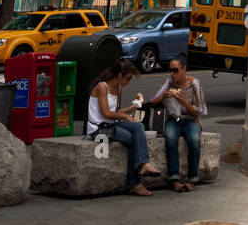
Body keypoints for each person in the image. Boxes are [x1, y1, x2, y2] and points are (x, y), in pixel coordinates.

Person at [88, 59, 161, 197]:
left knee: (138, 126)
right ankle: (134, 183)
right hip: (98, 129)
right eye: (128, 78)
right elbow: (105, 113)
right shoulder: (102, 87)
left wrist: (129, 109)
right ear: (120, 75)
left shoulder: (118, 89)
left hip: (111, 124)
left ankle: (144, 164)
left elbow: (115, 113)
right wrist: (126, 117)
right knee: (132, 138)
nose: (128, 82)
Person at [151, 53, 208, 192]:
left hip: (190, 120)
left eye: (175, 70)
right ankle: (174, 178)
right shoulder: (169, 83)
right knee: (170, 138)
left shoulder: (194, 84)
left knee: (194, 140)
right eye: (170, 70)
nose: (172, 73)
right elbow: (152, 100)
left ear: (183, 69)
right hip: (173, 120)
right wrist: (164, 96)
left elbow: (199, 111)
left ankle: (192, 178)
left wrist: (183, 101)